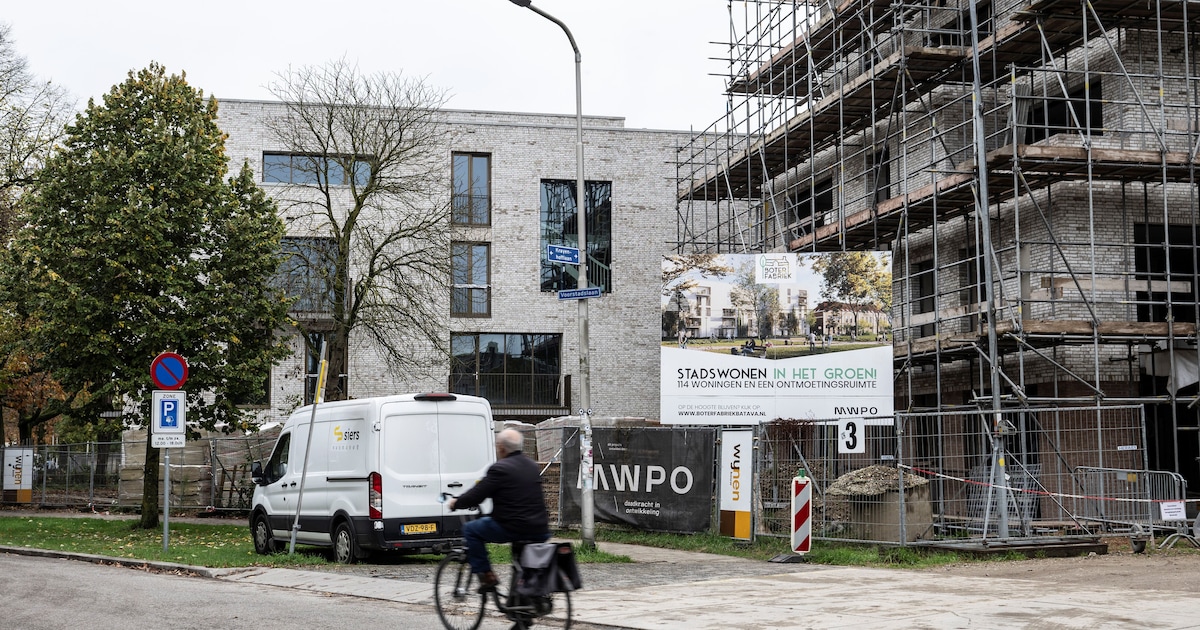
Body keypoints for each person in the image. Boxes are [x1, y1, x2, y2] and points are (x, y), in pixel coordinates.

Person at [448, 428, 550, 592]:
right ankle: (522, 602)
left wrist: (456, 502)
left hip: (512, 528)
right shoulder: (532, 466)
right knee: (521, 563)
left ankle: (487, 577)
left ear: (502, 448)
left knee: (470, 530)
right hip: (540, 528)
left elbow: (477, 495)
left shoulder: (500, 468)